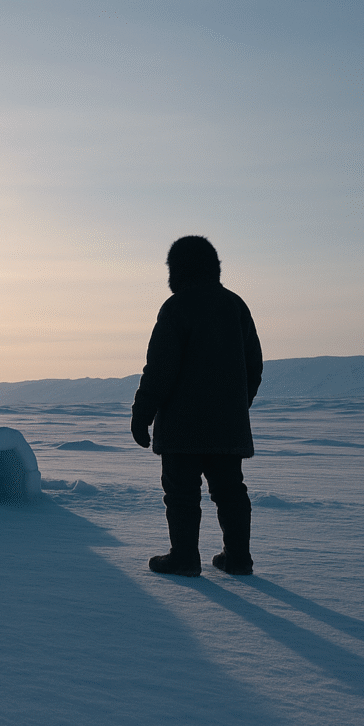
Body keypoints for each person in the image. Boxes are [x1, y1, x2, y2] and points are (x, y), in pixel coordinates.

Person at [131, 235, 263, 576]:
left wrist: (142, 414)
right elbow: (254, 365)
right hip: (227, 426)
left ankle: (185, 558)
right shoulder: (235, 305)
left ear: (177, 271)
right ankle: (238, 559)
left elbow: (160, 369)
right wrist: (236, 405)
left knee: (181, 494)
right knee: (230, 490)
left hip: (181, 427)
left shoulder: (176, 308)